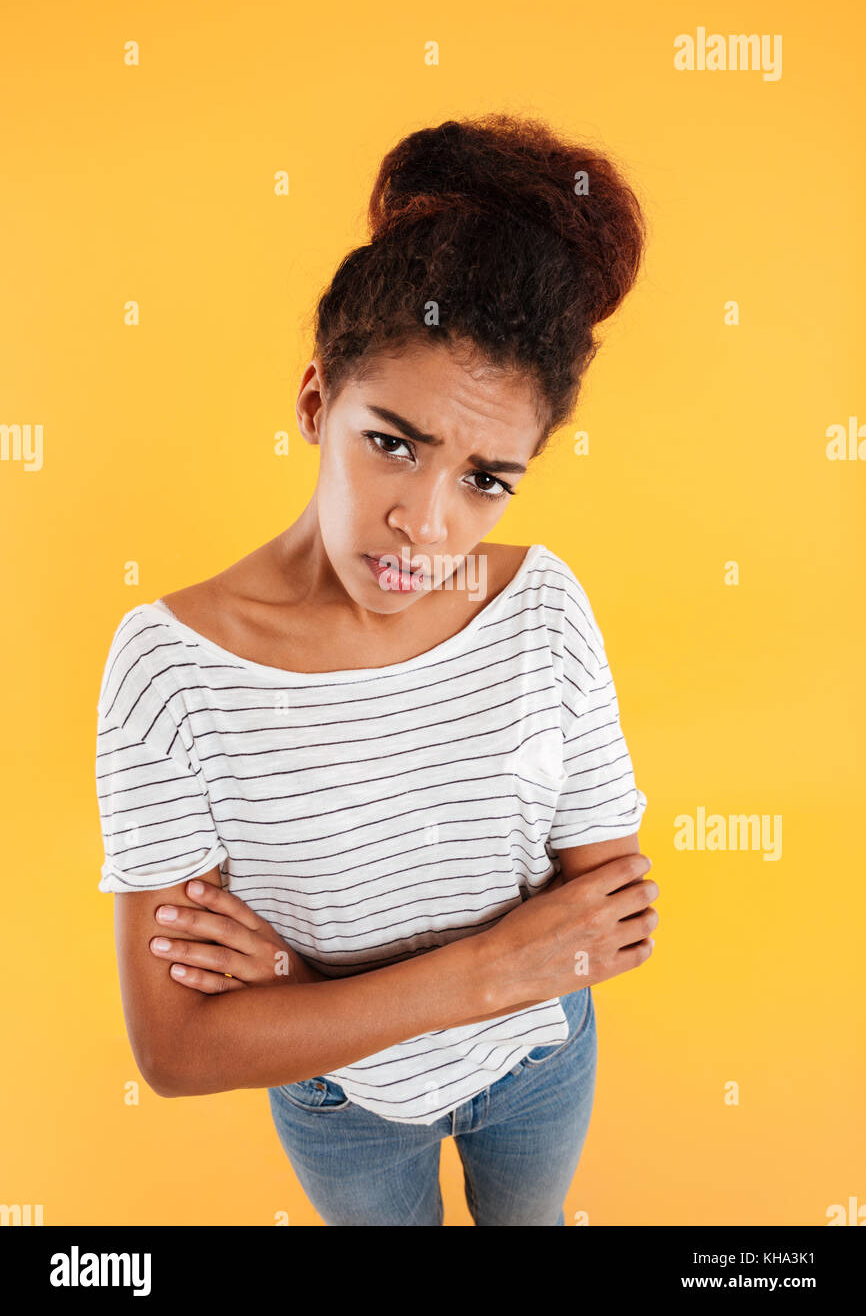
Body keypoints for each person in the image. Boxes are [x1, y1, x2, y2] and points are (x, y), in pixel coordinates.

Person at [94, 113, 659, 1226]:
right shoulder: (168, 670)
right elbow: (175, 1048)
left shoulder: (541, 607)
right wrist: (488, 970)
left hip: (540, 1071)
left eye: (487, 478)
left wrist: (305, 992)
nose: (424, 522)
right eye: (391, 442)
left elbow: (612, 924)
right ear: (316, 401)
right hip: (341, 1105)